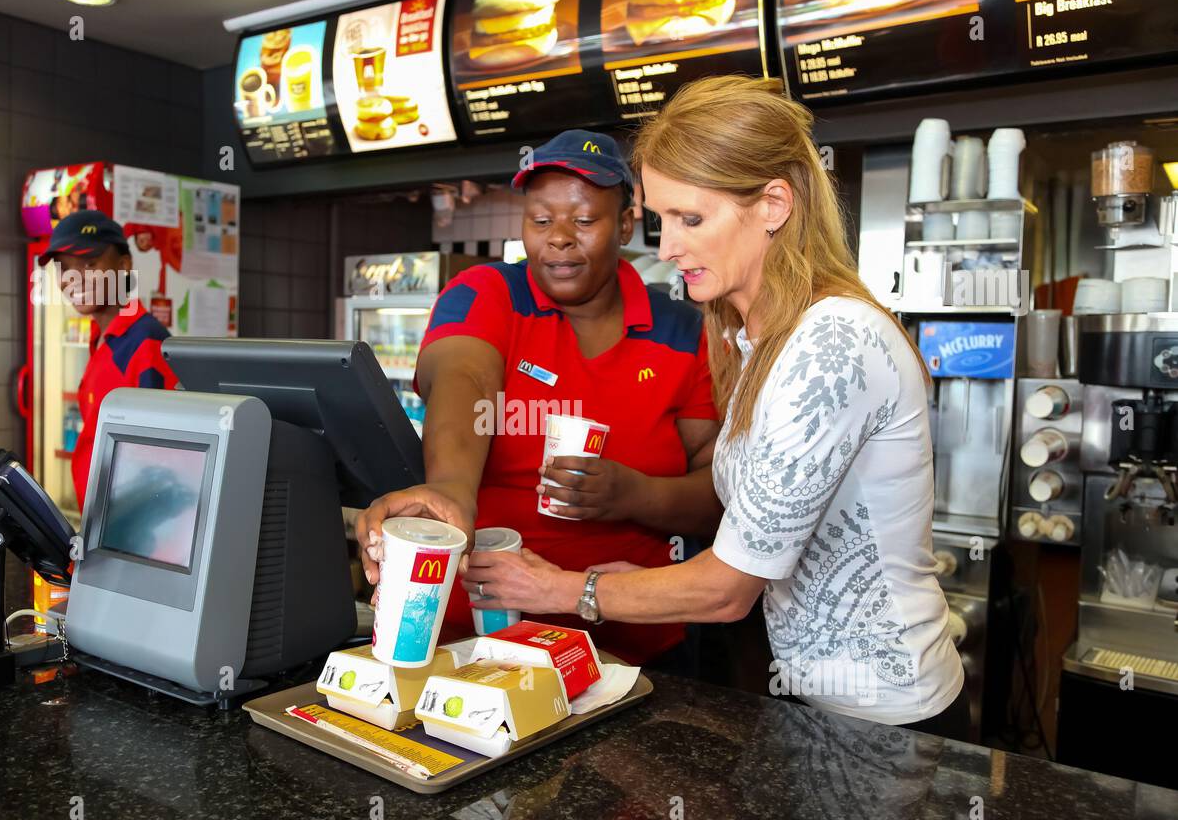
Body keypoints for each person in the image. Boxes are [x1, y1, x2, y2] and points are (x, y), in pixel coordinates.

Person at [466, 77, 968, 738]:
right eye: (662, 219)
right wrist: (620, 582)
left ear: (772, 205)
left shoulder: (832, 342)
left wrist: (563, 589)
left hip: (887, 721)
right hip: (813, 704)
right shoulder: (755, 340)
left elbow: (729, 589)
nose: (668, 247)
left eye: (691, 219)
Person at [356, 130, 722, 666]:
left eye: (584, 221)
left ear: (624, 225)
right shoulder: (488, 292)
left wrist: (633, 494)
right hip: (477, 638)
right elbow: (466, 383)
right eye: (541, 220)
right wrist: (452, 491)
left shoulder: (684, 330)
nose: (559, 239)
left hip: (630, 645)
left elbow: (715, 497)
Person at [39, 210, 179, 511]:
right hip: (99, 519)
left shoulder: (146, 341)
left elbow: (161, 454)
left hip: (130, 525)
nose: (73, 279)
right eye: (64, 268)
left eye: (89, 263)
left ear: (124, 265)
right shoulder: (101, 338)